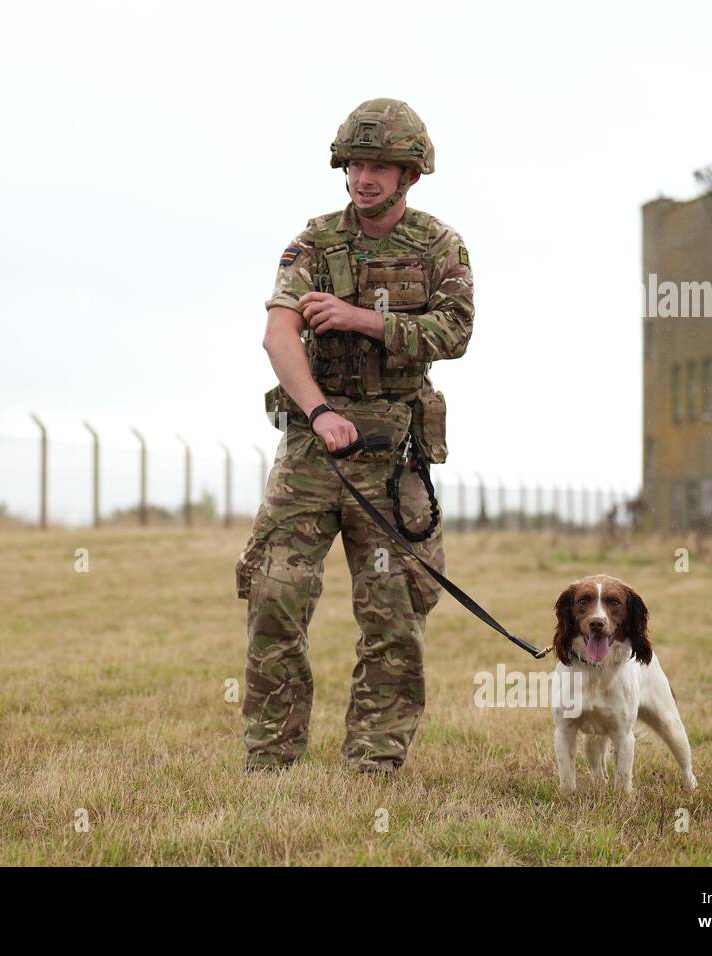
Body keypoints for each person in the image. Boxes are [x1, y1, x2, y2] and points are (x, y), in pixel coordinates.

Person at [236, 98, 474, 775]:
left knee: (393, 613)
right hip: (314, 451)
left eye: (381, 167)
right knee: (276, 595)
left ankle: (373, 766)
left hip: (394, 452)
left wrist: (359, 319)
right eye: (357, 164)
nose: (365, 178)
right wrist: (317, 412)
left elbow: (453, 333)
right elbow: (278, 333)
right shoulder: (312, 241)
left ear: (410, 176)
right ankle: (271, 764)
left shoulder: (440, 246)